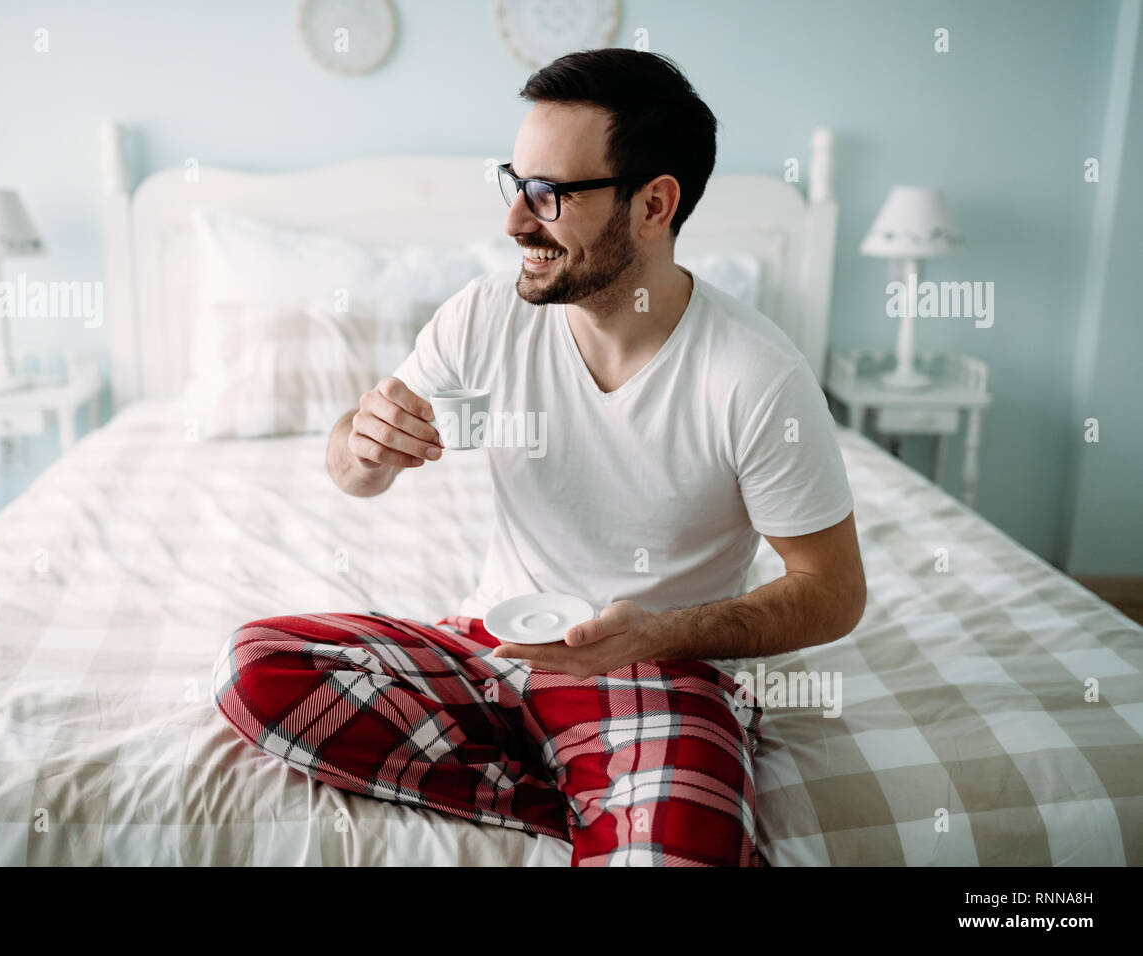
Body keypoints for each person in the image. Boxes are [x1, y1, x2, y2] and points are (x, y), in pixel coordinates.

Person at [214, 48, 865, 867]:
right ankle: (574, 802)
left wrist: (659, 633)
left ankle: (611, 793)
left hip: (657, 674)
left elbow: (833, 593)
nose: (516, 222)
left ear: (654, 204)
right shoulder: (485, 318)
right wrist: (364, 442)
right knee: (256, 667)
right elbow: (353, 468)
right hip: (490, 647)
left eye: (550, 194)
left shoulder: (756, 376)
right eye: (514, 183)